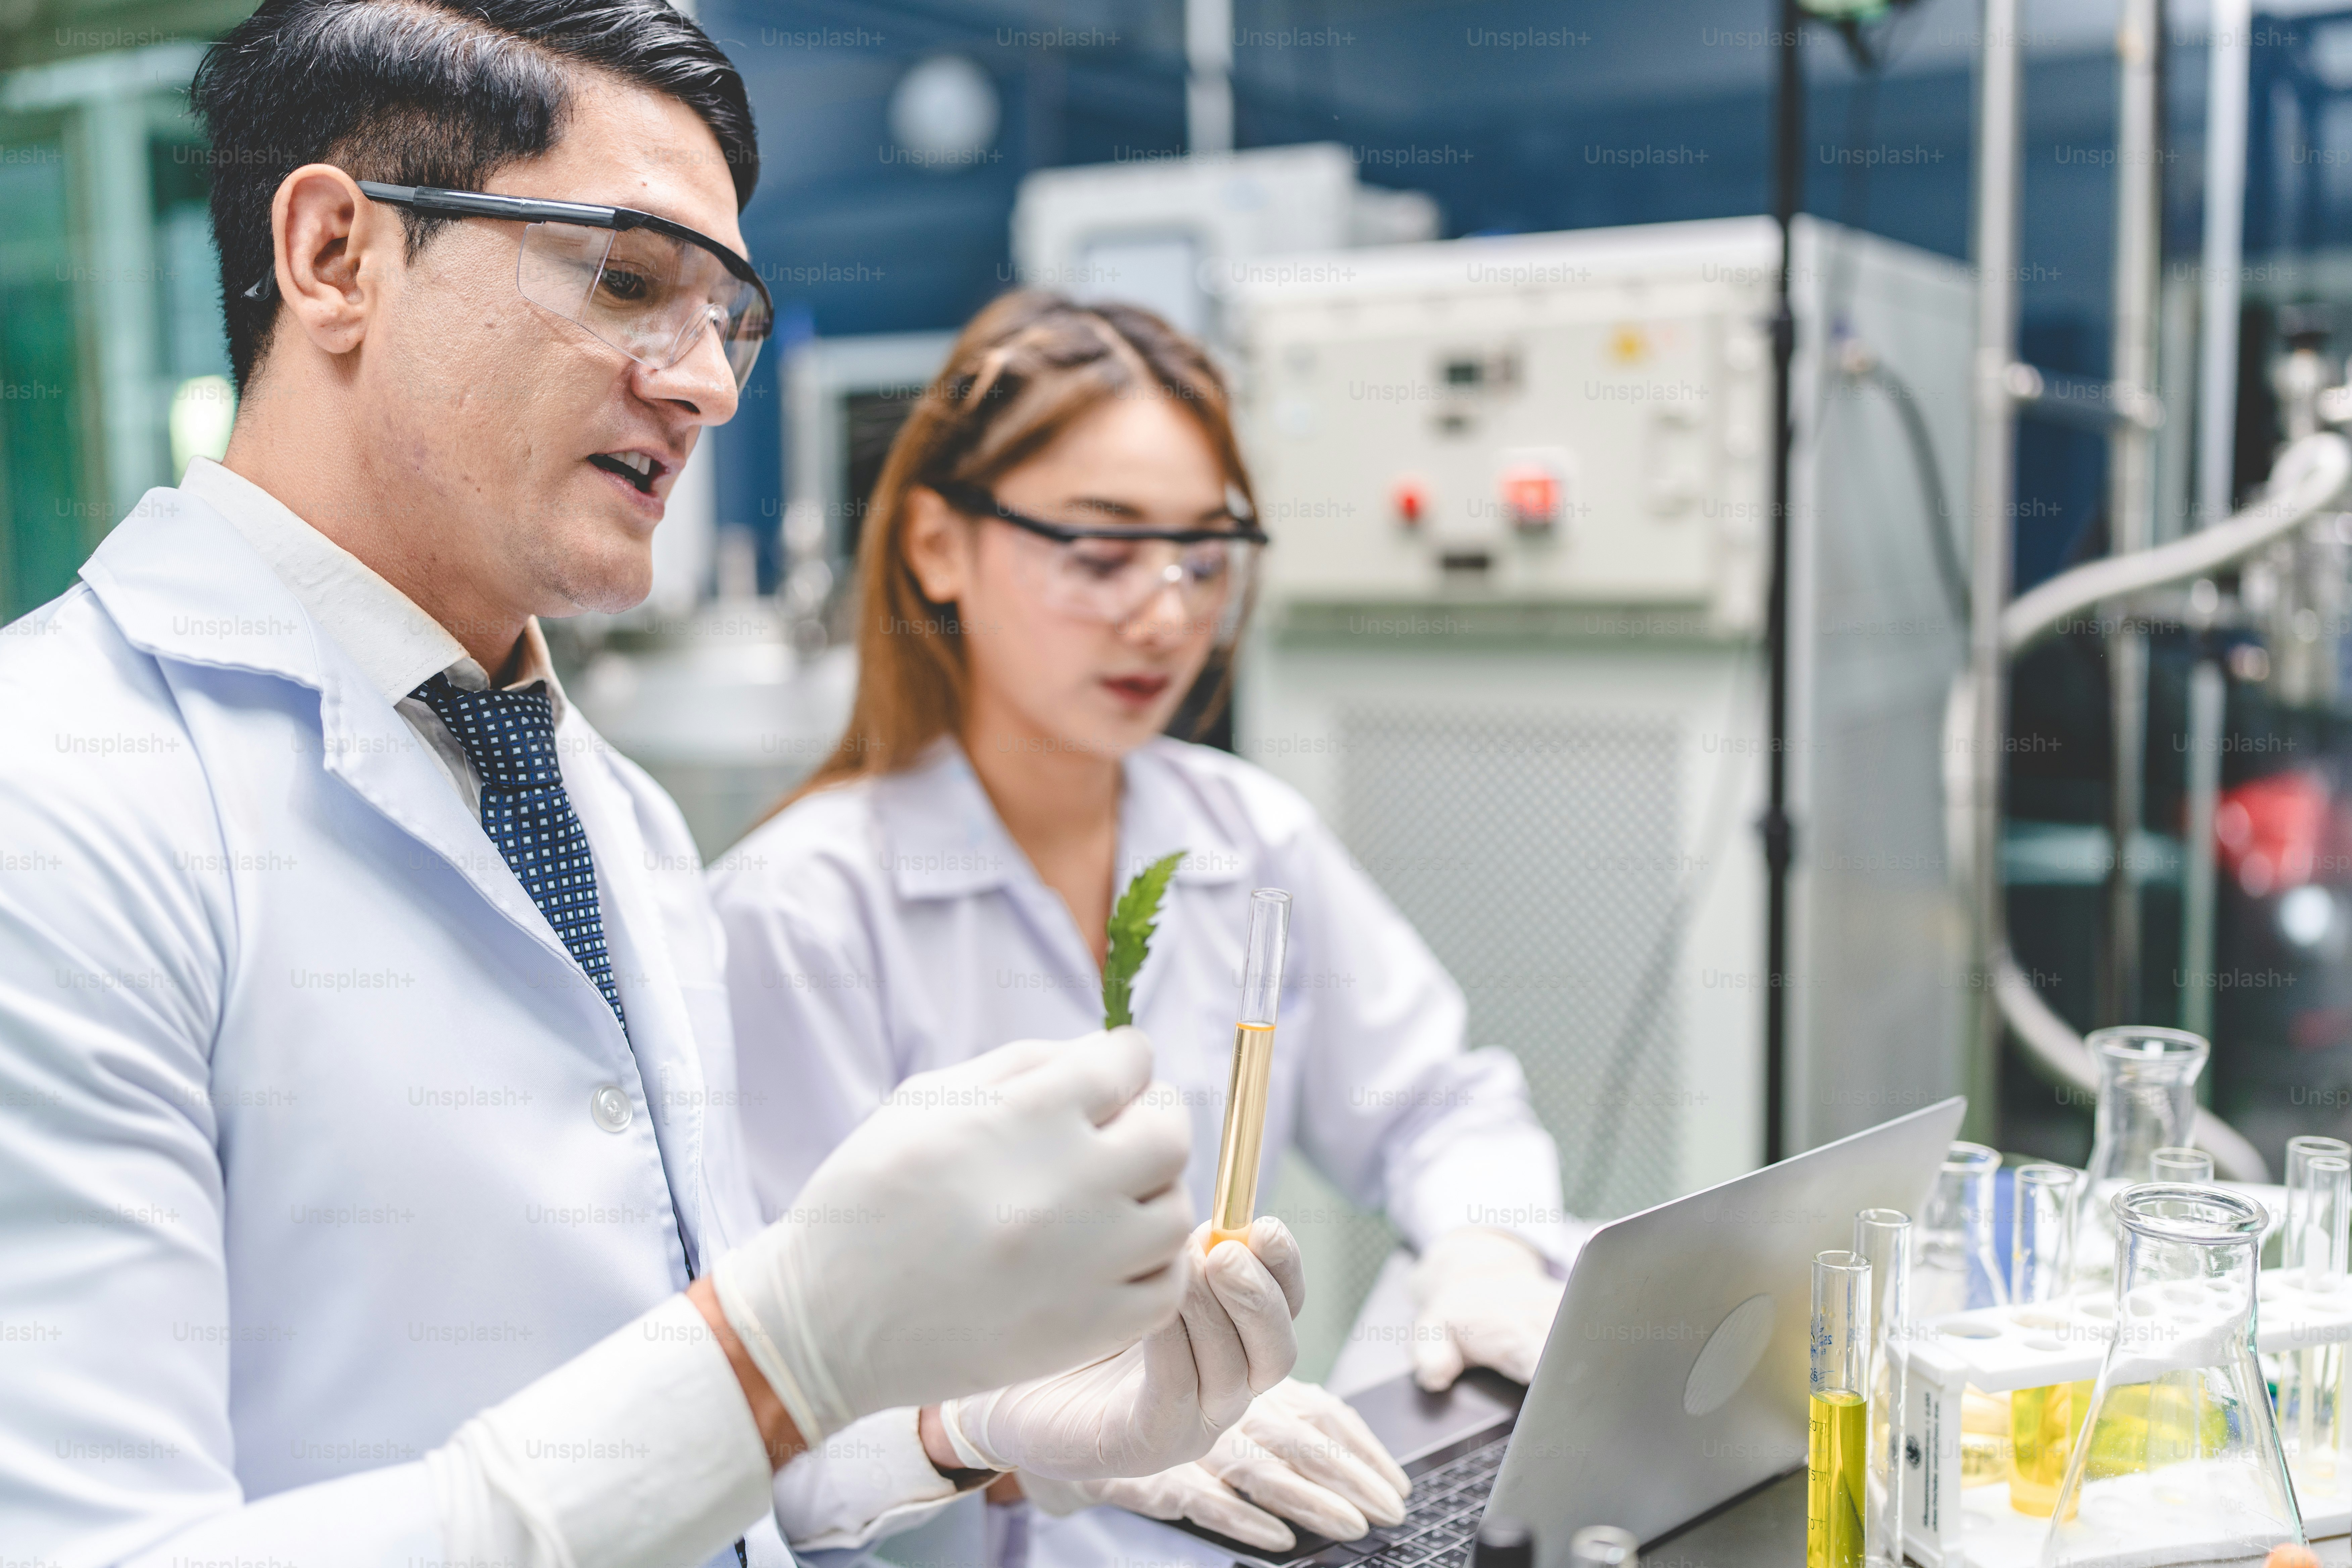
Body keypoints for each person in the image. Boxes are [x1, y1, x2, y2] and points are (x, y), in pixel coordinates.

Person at [0, 7, 1302, 1564]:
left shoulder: (609, 815)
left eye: (726, 317)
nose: (709, 388)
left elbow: (697, 1449)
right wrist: (779, 1350)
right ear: (337, 254)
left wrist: (970, 1426)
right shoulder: (57, 797)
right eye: (626, 282)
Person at [711, 292, 1577, 1567]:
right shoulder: (800, 910)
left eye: (1204, 558)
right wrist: (1015, 1431)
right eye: (1102, 554)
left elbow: (1441, 1107)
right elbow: (773, 1417)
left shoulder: (1247, 836)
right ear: (939, 547)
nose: (1167, 615)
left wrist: (1488, 1249)